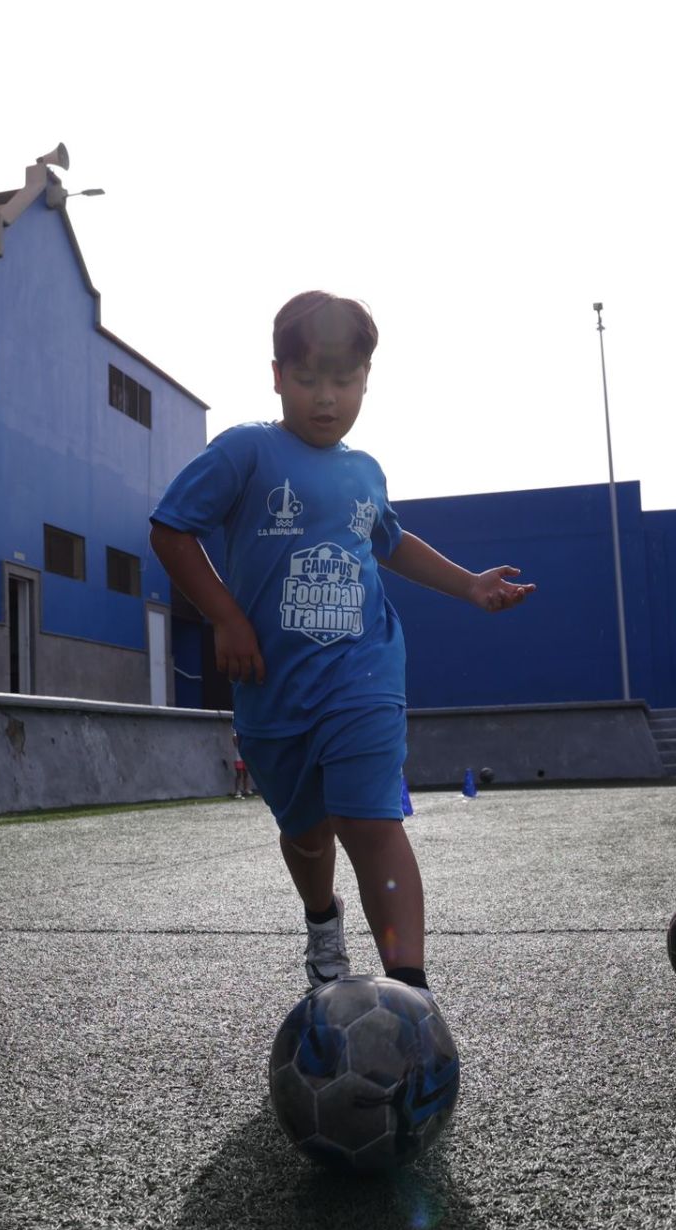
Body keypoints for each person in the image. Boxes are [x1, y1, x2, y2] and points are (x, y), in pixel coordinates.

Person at [148, 291, 534, 992]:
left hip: (364, 677)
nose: (325, 398)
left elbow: (392, 542)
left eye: (343, 381)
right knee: (306, 833)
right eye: (307, 380)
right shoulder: (245, 450)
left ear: (365, 380)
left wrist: (470, 584)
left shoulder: (365, 471)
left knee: (370, 820)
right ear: (276, 375)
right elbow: (171, 530)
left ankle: (408, 994)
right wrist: (227, 618)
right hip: (273, 689)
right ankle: (323, 919)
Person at [230, 734, 253, 799]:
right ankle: (237, 790)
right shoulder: (235, 735)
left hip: (245, 758)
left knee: (246, 774)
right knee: (239, 774)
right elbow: (236, 743)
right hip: (238, 759)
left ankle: (246, 789)